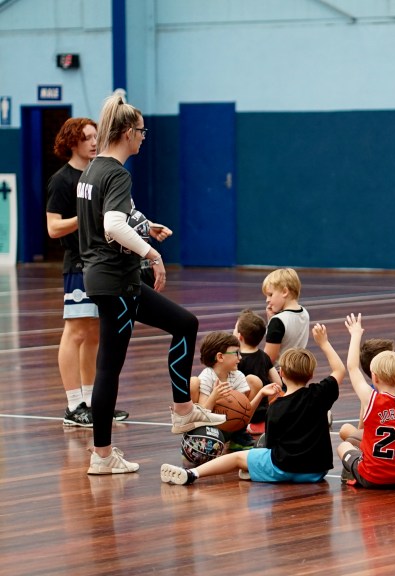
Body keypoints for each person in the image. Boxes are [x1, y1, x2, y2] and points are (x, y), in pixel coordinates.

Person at [76, 94, 224, 475]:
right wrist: (152, 254)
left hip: (108, 279)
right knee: (109, 366)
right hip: (118, 282)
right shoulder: (117, 173)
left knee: (184, 324)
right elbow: (111, 225)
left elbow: (118, 216)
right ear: (127, 133)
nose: (144, 137)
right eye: (141, 131)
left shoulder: (93, 170)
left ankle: (182, 411)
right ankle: (103, 456)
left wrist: (145, 226)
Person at [161, 323, 343, 485]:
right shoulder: (320, 394)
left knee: (238, 458)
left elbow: (270, 446)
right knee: (261, 447)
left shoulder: (276, 407)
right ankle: (250, 466)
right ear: (311, 375)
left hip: (282, 469)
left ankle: (192, 473)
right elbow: (339, 370)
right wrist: (324, 343)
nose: (240, 357)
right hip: (316, 472)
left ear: (281, 373)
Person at [45, 117, 128, 427]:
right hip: (77, 264)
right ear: (72, 143)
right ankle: (72, 405)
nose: (94, 142)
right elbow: (53, 228)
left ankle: (94, 402)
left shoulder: (96, 175)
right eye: (87, 138)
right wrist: (84, 217)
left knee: (94, 333)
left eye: (96, 136)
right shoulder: (62, 180)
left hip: (100, 263)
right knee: (76, 331)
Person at [338, 314, 395, 488]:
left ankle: (351, 470)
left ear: (374, 377)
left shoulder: (371, 398)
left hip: (372, 477)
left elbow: (352, 368)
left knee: (344, 446)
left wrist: (355, 335)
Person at [234, 308, 282, 435]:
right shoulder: (264, 356)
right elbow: (278, 383)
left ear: (240, 336)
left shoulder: (236, 359)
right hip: (264, 412)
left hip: (247, 412)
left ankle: (246, 426)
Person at [262, 268, 309, 365]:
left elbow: (268, 360)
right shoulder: (304, 312)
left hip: (280, 375)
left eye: (270, 295)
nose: (267, 300)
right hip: (298, 371)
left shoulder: (278, 321)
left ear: (285, 292)